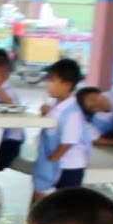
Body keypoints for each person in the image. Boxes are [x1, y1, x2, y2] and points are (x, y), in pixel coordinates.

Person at [33, 58, 90, 202]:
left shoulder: (72, 113)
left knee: (64, 205)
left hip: (68, 167)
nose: (48, 85)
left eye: (52, 81)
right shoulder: (53, 105)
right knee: (41, 199)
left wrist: (50, 162)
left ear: (67, 84)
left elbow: (67, 143)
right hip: (54, 163)